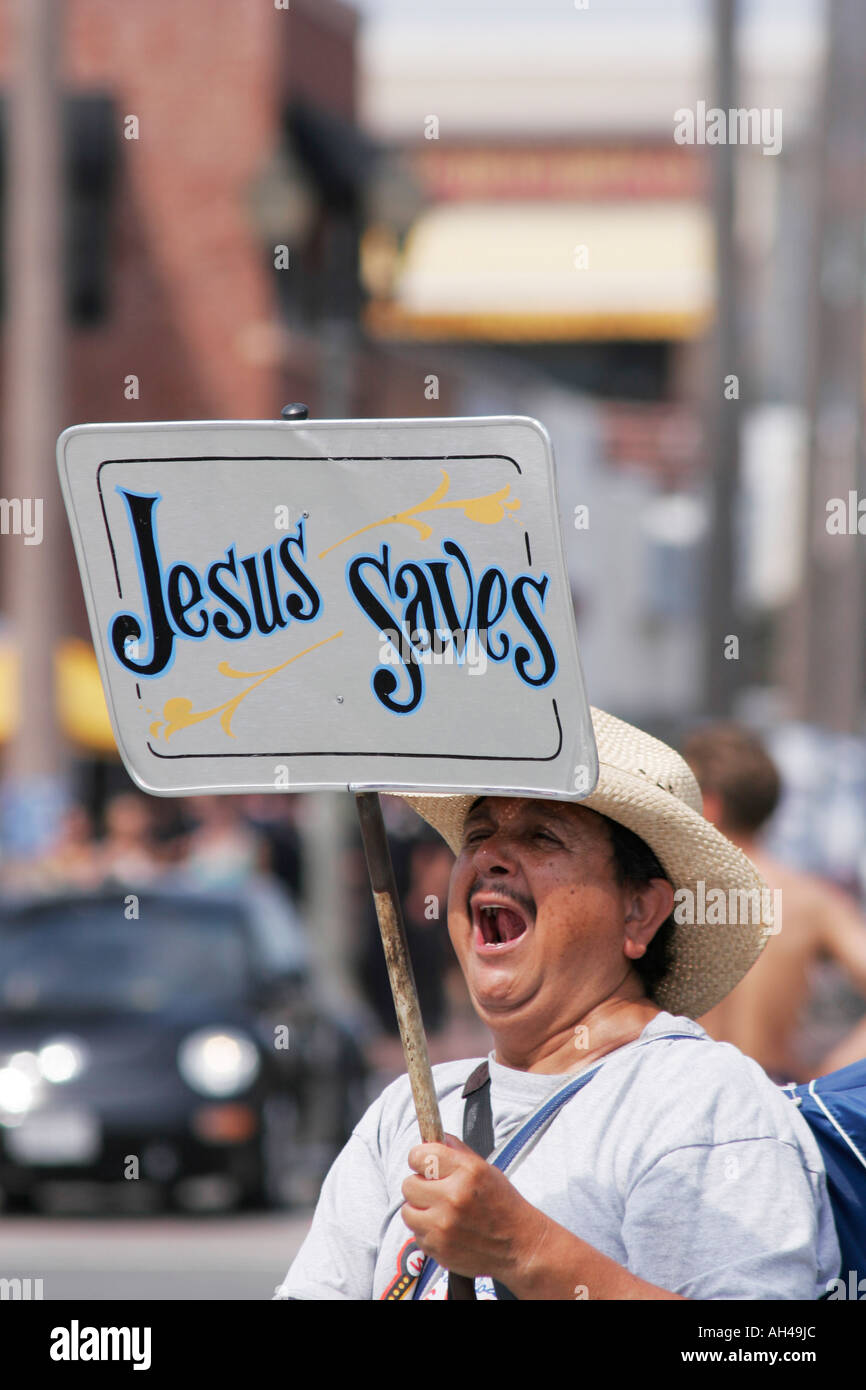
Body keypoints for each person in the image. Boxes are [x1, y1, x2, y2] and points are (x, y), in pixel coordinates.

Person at [275, 708, 840, 1301]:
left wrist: (526, 1251)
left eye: (542, 836)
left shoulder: (707, 1105)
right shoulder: (407, 1114)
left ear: (639, 912)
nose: (490, 857)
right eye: (477, 834)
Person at [683, 723, 866, 1081]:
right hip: (774, 1092)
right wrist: (829, 1078)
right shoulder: (811, 900)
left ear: (710, 805)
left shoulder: (666, 893)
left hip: (685, 1084)